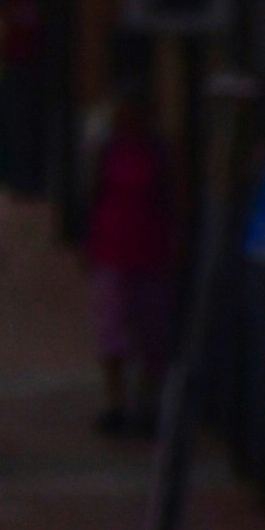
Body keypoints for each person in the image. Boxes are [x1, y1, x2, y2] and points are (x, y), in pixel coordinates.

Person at [81, 57, 184, 437]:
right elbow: (93, 195)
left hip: (151, 251)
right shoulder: (107, 150)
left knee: (153, 331)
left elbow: (175, 200)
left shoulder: (159, 151)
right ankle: (115, 401)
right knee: (112, 327)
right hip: (112, 249)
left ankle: (148, 403)